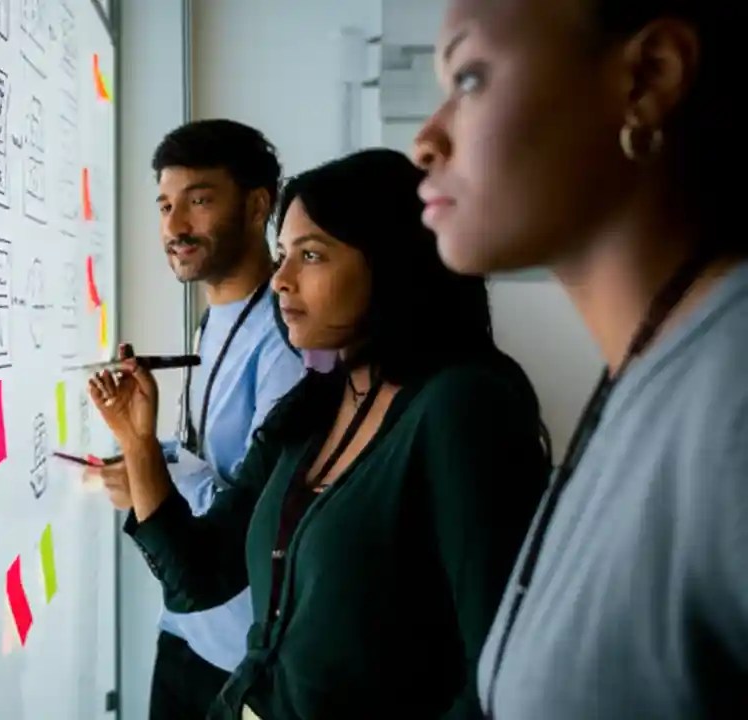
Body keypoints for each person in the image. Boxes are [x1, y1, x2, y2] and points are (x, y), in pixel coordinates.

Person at [89, 148, 552, 719]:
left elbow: (498, 671)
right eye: (284, 255)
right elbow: (199, 578)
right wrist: (138, 444)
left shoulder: (461, 406)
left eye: (310, 255)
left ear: (392, 263)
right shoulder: (317, 405)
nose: (280, 281)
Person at [413, 1, 748, 717]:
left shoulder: (733, 392)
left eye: (469, 78)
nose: (426, 140)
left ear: (648, 77)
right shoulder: (645, 368)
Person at [93, 119, 305, 718]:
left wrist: (148, 473)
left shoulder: (287, 338)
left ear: (257, 204)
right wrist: (150, 455)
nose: (175, 226)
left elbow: (257, 514)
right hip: (187, 630)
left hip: (238, 651)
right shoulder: (212, 320)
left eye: (200, 201)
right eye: (165, 205)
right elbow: (208, 458)